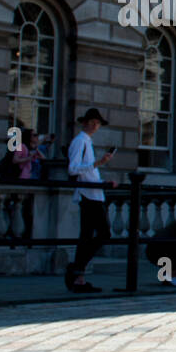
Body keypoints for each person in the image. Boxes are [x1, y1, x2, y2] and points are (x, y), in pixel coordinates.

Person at [65, 108, 117, 293]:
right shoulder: (80, 141)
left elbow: (87, 173)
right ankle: (77, 269)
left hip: (93, 192)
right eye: (92, 122)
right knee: (103, 233)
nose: (95, 126)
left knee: (87, 236)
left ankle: (79, 276)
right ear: (85, 123)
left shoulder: (87, 142)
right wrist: (99, 163)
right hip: (89, 195)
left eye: (98, 123)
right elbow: (73, 169)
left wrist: (103, 182)